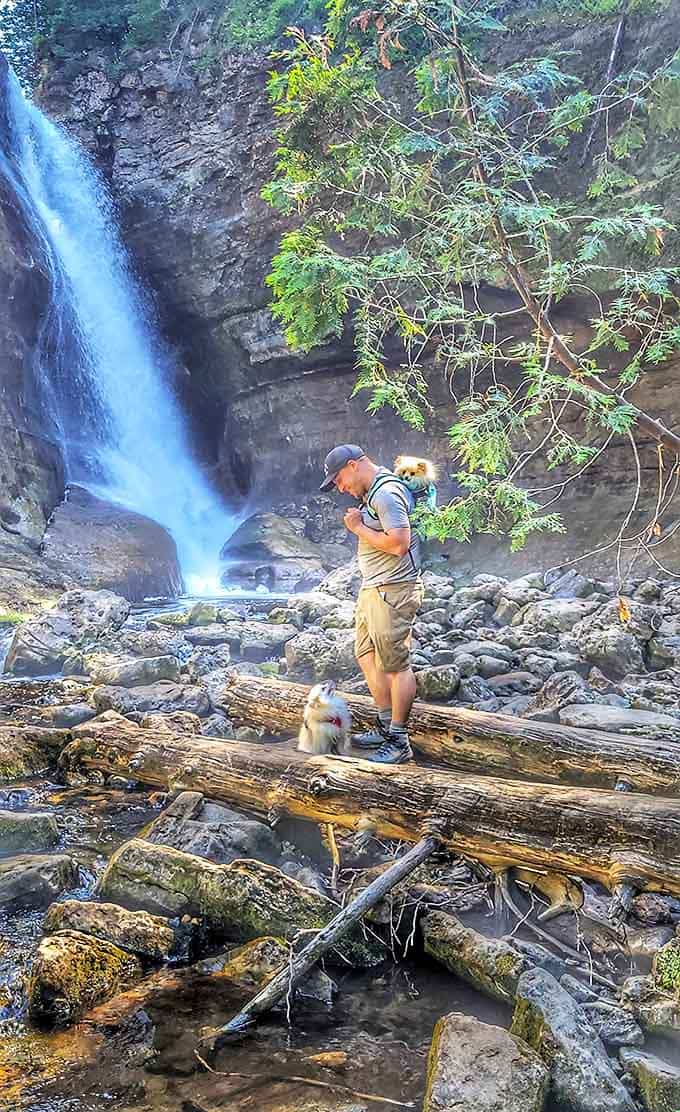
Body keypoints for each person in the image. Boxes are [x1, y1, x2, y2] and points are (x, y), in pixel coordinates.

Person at [320, 444, 423, 764]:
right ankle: (384, 723)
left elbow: (398, 544)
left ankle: (399, 739)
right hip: (374, 588)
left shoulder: (386, 493)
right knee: (365, 654)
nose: (341, 488)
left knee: (396, 665)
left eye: (339, 479)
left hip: (393, 589)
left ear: (353, 466)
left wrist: (358, 527)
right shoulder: (373, 493)